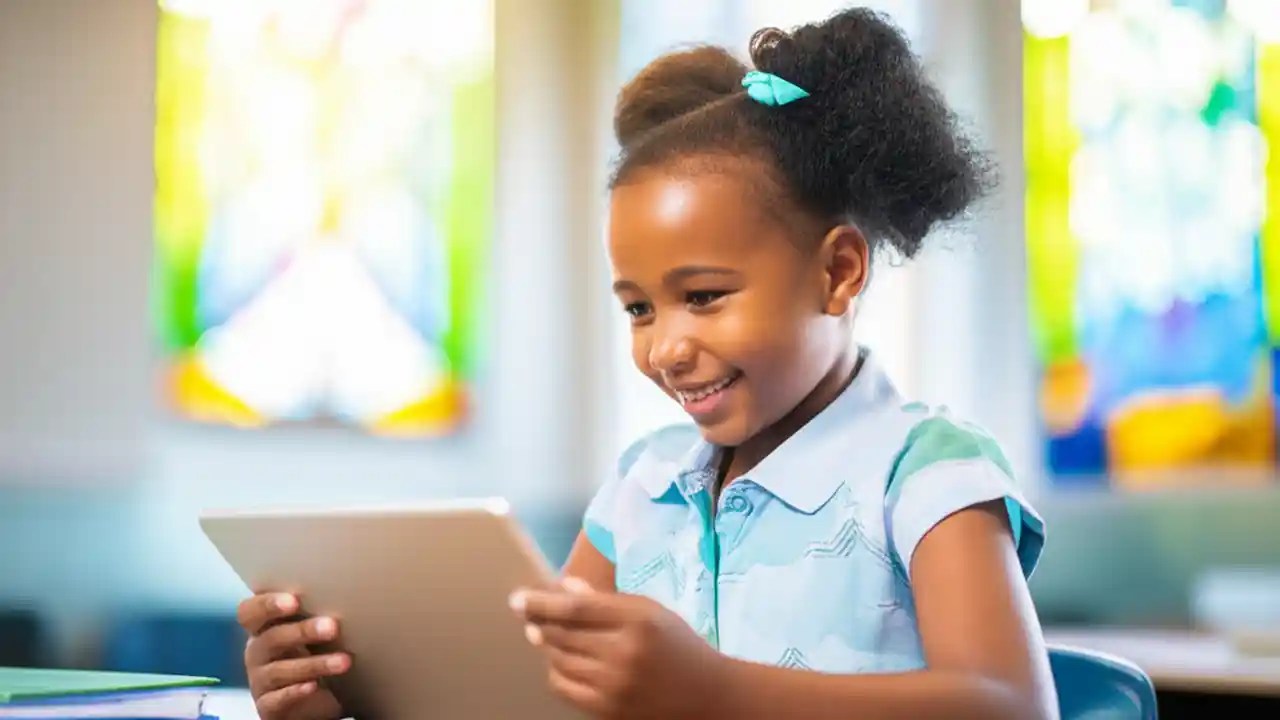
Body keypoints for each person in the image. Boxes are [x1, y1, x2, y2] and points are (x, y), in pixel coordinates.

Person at [235, 8, 1058, 720]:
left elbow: (1013, 704)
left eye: (702, 296)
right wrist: (348, 698)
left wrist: (714, 694)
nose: (664, 347)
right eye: (637, 308)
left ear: (838, 271)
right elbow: (534, 698)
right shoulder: (641, 488)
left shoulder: (925, 475)